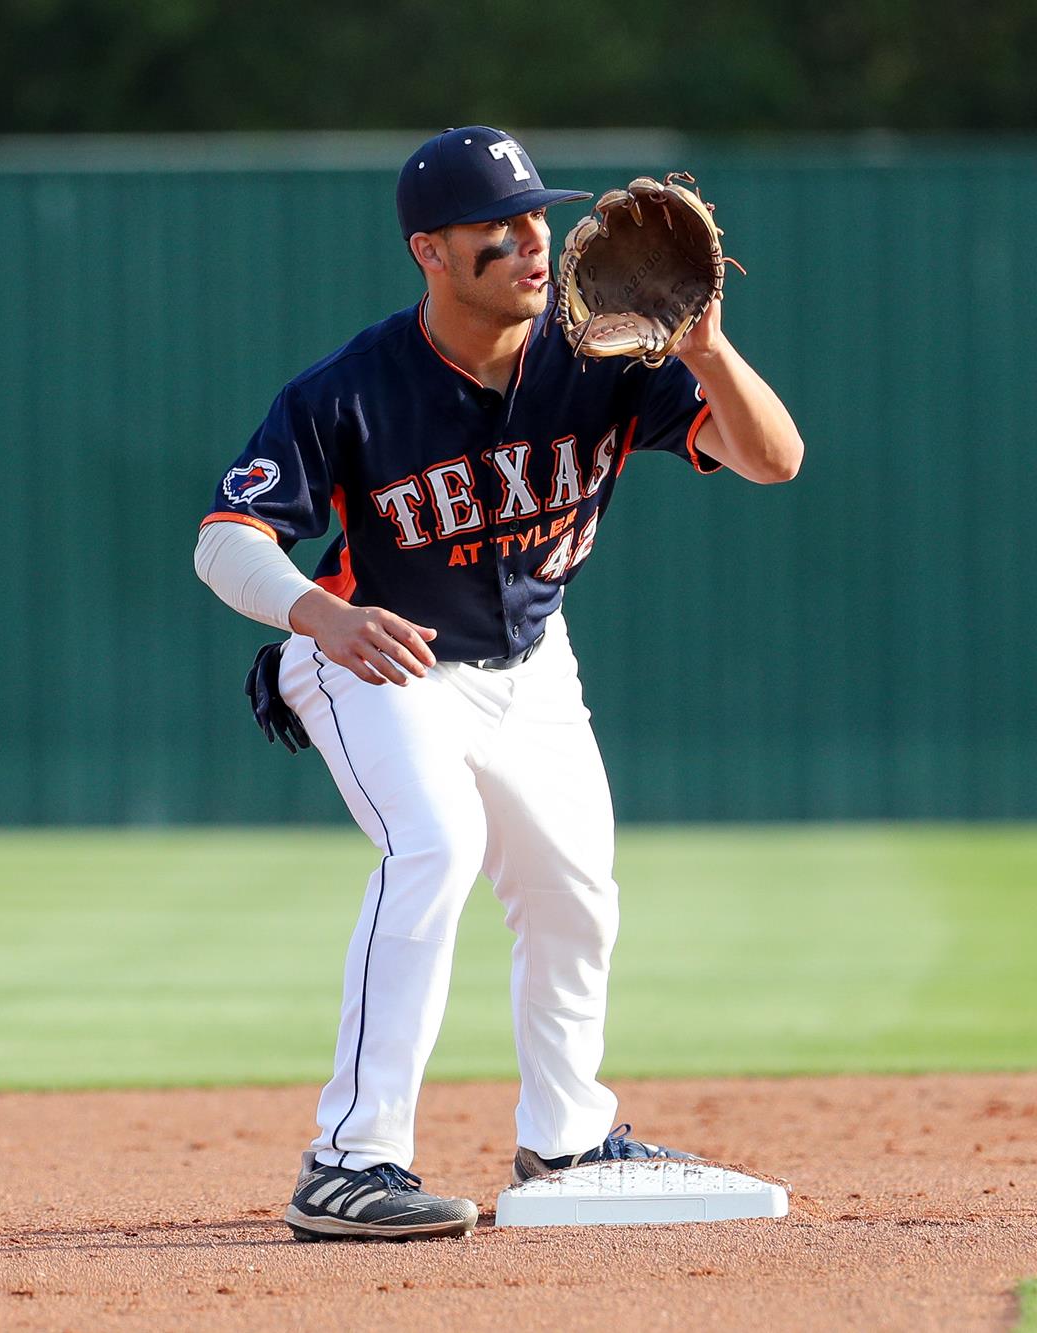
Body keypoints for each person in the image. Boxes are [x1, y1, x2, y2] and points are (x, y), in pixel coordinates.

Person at [195, 126, 804, 1241]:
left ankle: (566, 1138)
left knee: (575, 889)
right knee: (433, 842)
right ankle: (351, 1156)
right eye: (498, 227)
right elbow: (224, 541)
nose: (533, 242)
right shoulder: (353, 389)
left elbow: (773, 458)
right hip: (371, 657)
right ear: (429, 250)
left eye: (537, 218)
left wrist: (707, 350)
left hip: (529, 660)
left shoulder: (601, 359)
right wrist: (320, 612)